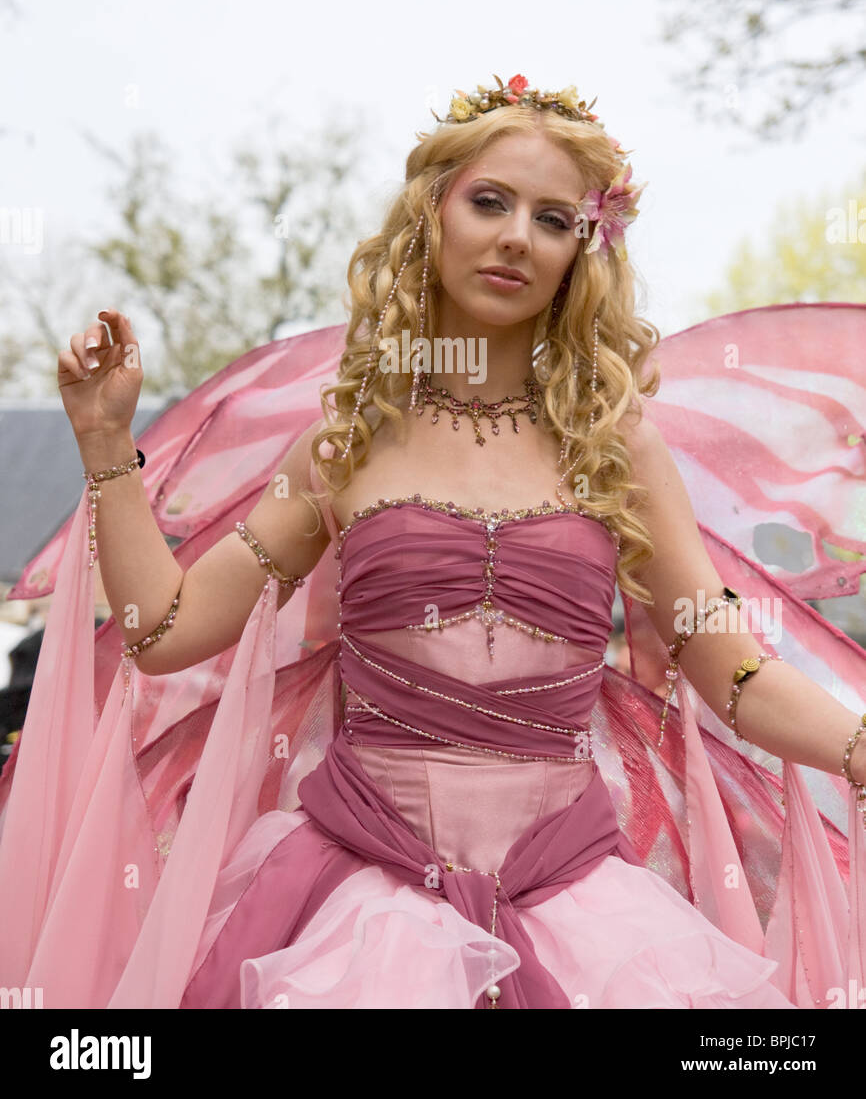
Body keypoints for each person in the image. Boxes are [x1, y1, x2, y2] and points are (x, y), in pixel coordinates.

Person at [2, 73, 865, 1010]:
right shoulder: (345, 446)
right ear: (433, 215)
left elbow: (733, 674)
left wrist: (859, 744)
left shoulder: (616, 451)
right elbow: (162, 629)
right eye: (489, 201)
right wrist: (102, 446)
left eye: (553, 219)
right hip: (353, 915)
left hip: (583, 910)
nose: (514, 237)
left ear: (583, 250)